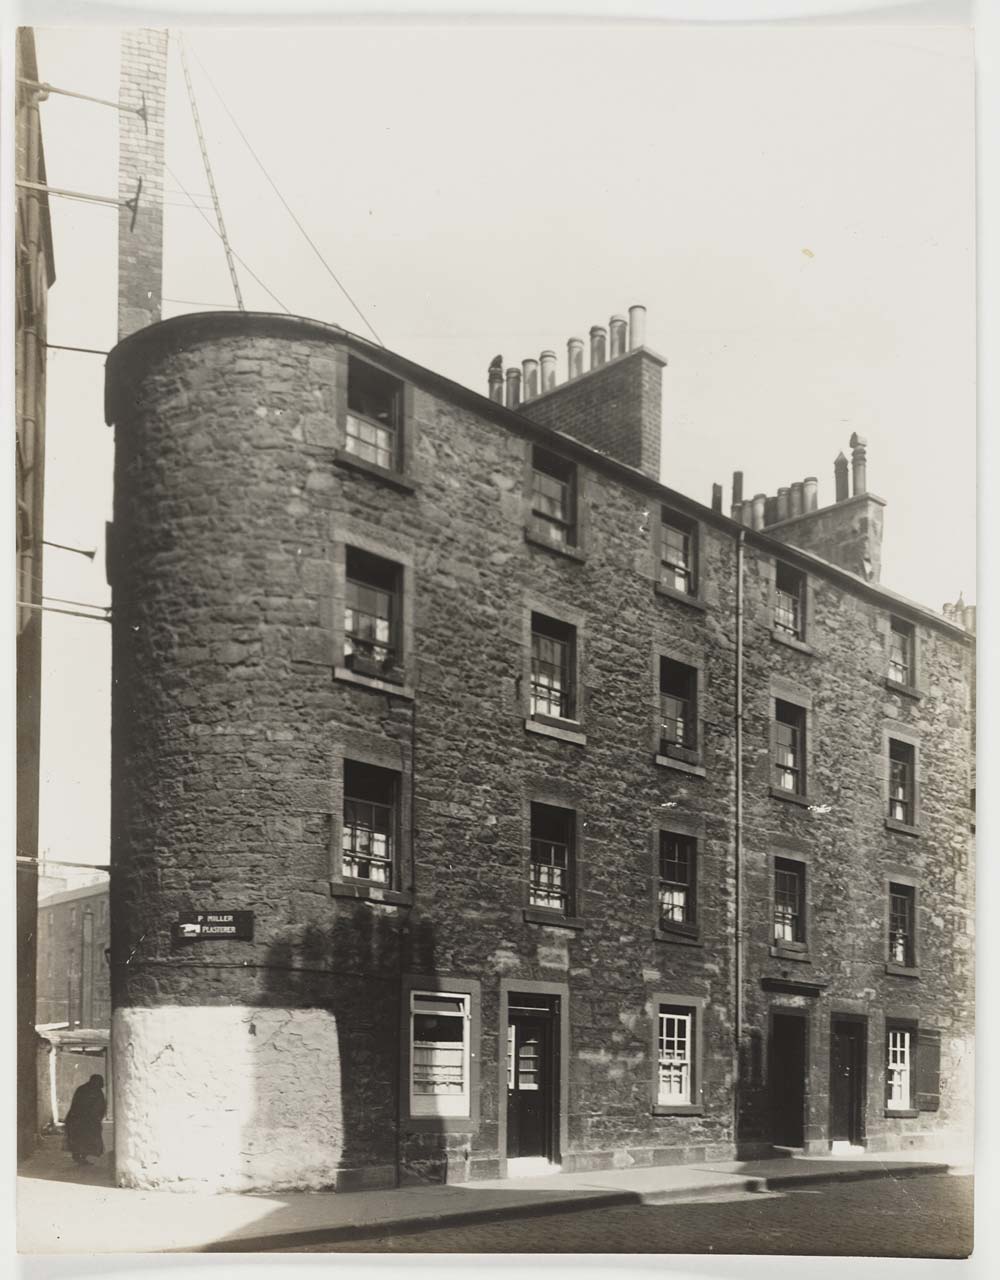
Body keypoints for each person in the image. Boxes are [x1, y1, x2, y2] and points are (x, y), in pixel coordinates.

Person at [63, 1074, 106, 1166]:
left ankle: (81, 1157)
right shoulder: (87, 1090)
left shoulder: (89, 1090)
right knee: (81, 1138)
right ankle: (79, 1156)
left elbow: (100, 1106)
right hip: (81, 1120)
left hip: (87, 1120)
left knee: (85, 1139)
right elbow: (79, 1105)